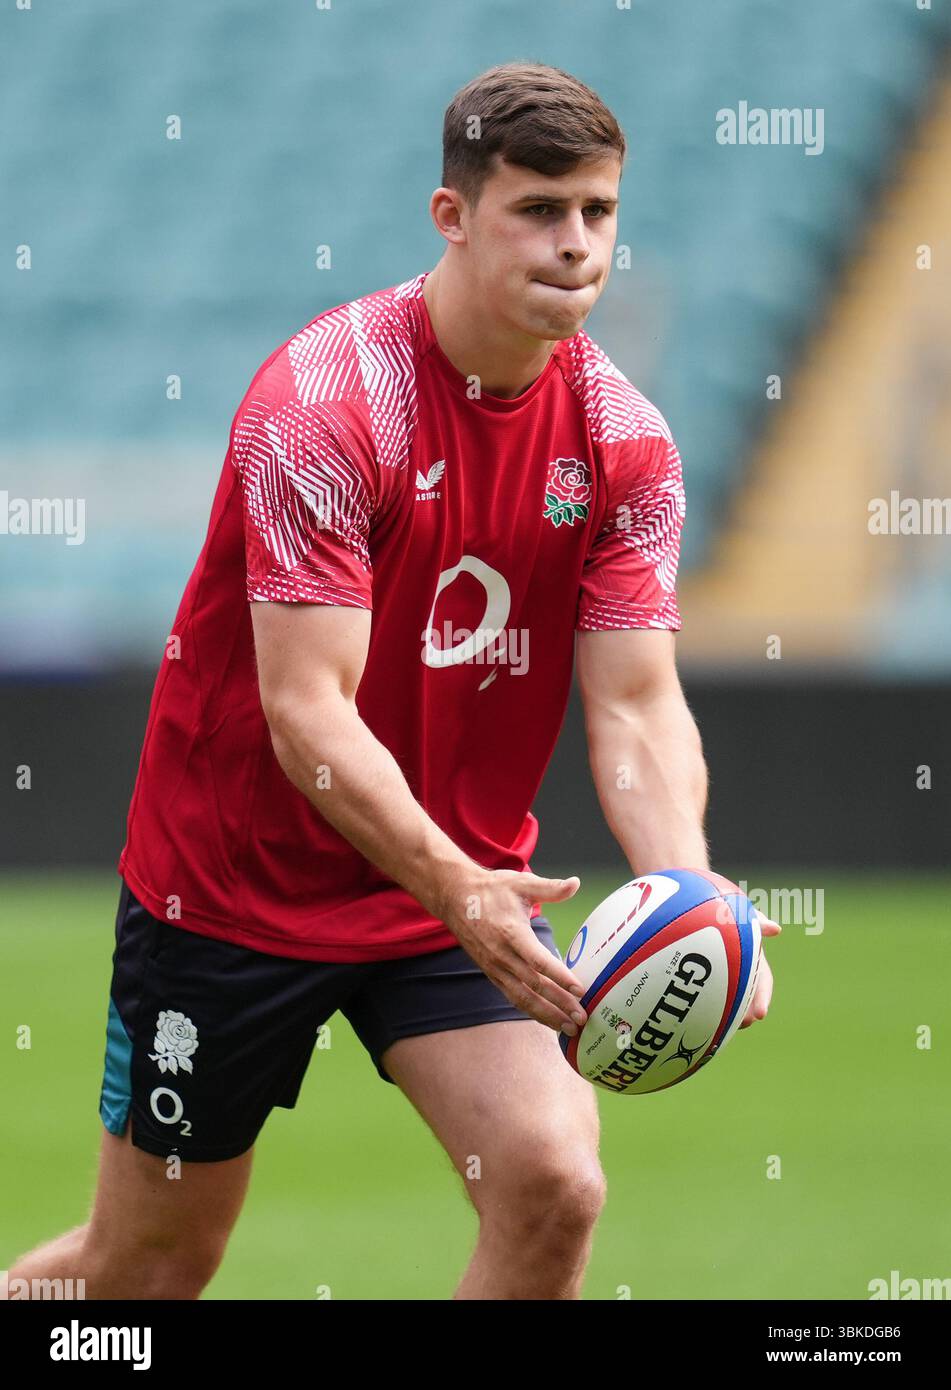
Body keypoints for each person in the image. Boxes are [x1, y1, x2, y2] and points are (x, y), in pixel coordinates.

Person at [5, 60, 776, 1303]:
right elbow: (310, 711)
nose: (577, 245)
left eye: (600, 211)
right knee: (143, 1274)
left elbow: (635, 701)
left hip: (453, 893)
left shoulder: (629, 442)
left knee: (554, 1187)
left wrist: (688, 881)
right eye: (539, 209)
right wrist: (461, 889)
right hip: (233, 890)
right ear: (453, 216)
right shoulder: (323, 405)